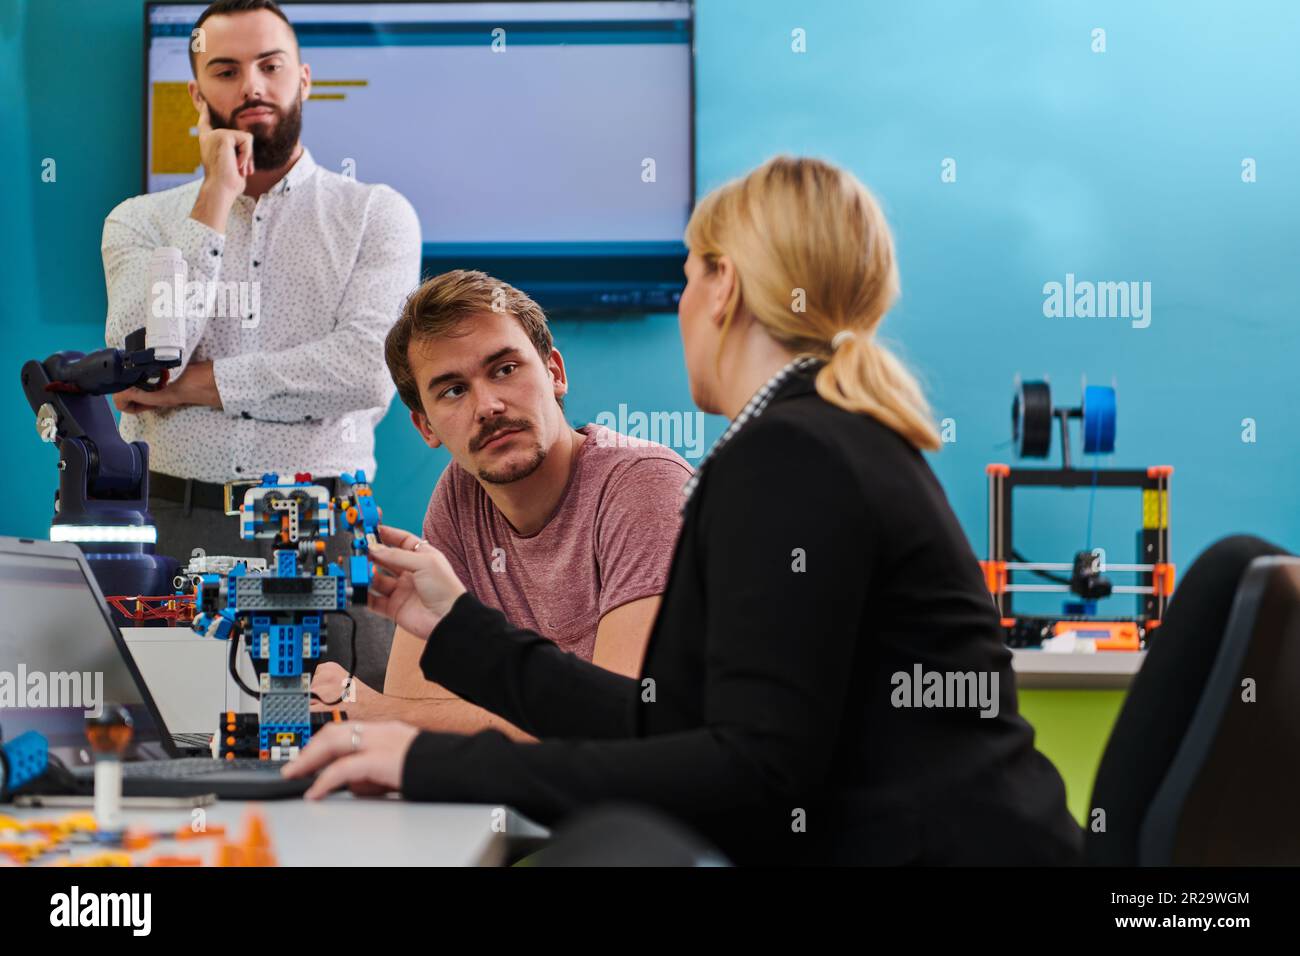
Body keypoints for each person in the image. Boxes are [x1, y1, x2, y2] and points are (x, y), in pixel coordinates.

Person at [284, 156, 1083, 866]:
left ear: (724, 286)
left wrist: (430, 761)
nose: (683, 302)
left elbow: (745, 774)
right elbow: (669, 723)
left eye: (692, 274)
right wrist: (457, 627)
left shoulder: (789, 457)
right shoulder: (819, 438)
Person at [104, 0, 420, 688]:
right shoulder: (140, 222)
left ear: (303, 78)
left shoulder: (375, 215)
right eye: (226, 69)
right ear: (195, 93)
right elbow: (142, 356)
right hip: (167, 526)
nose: (251, 86)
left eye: (270, 66)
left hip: (316, 534)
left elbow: (366, 370)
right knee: (169, 751)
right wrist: (215, 197)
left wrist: (191, 387)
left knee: (322, 746)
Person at [309, 271, 692, 738]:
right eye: (453, 390)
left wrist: (382, 715)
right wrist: (404, 713)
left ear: (554, 373)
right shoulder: (460, 495)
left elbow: (625, 728)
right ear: (426, 427)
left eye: (505, 369)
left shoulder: (645, 484)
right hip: (528, 796)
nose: (488, 406)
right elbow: (416, 699)